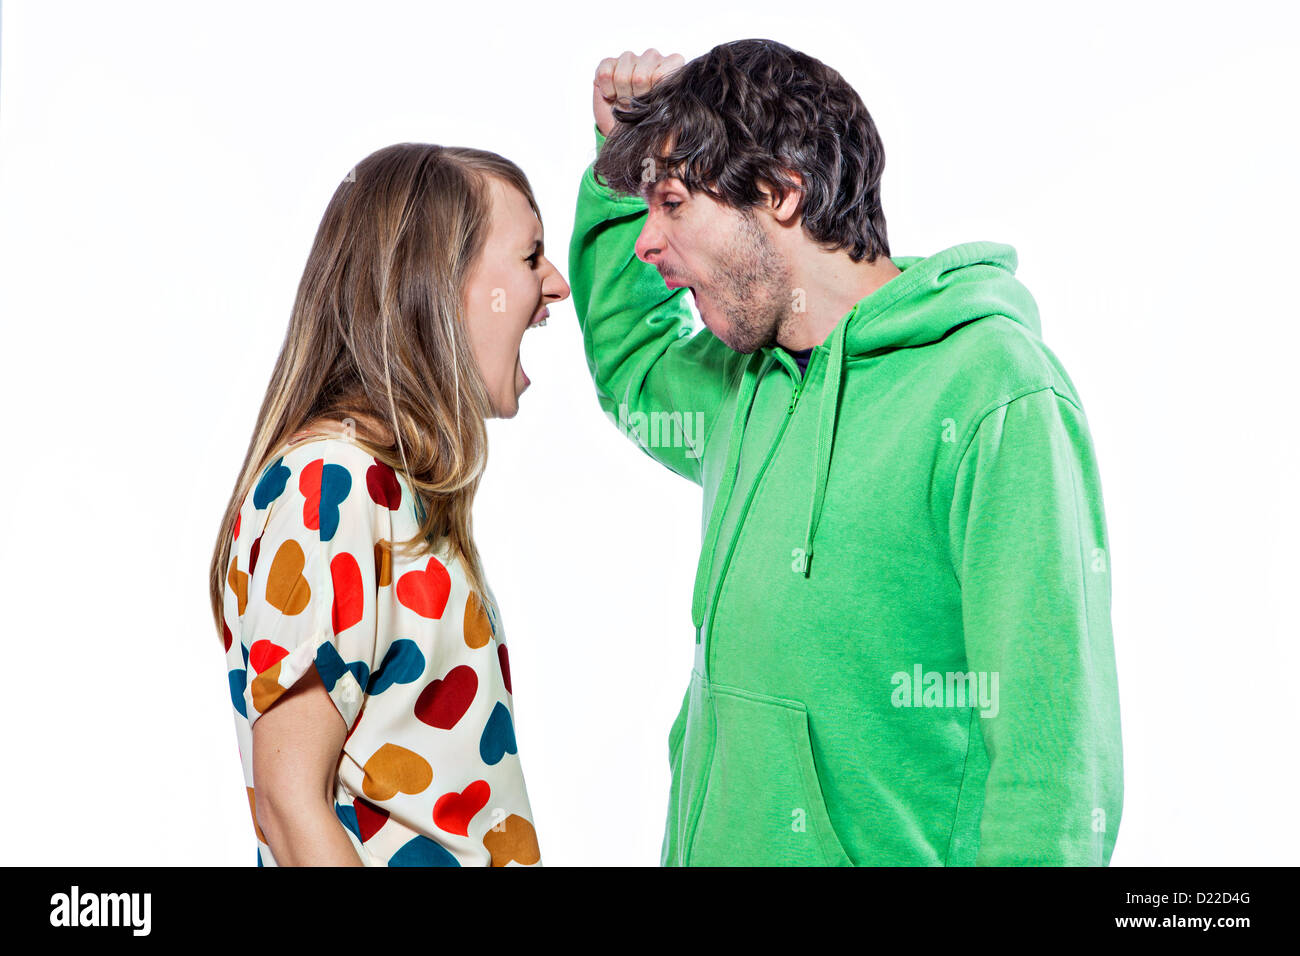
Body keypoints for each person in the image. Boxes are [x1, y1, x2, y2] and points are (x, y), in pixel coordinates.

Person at [571, 41, 1123, 865]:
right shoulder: (739, 386)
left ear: (781, 194)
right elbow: (631, 363)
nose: (646, 243)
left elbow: (1055, 759)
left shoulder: (992, 390)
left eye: (673, 203)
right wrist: (614, 171)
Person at [207, 142, 569, 866]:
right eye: (530, 256)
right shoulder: (328, 487)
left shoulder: (389, 490)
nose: (555, 286)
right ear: (441, 284)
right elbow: (290, 805)